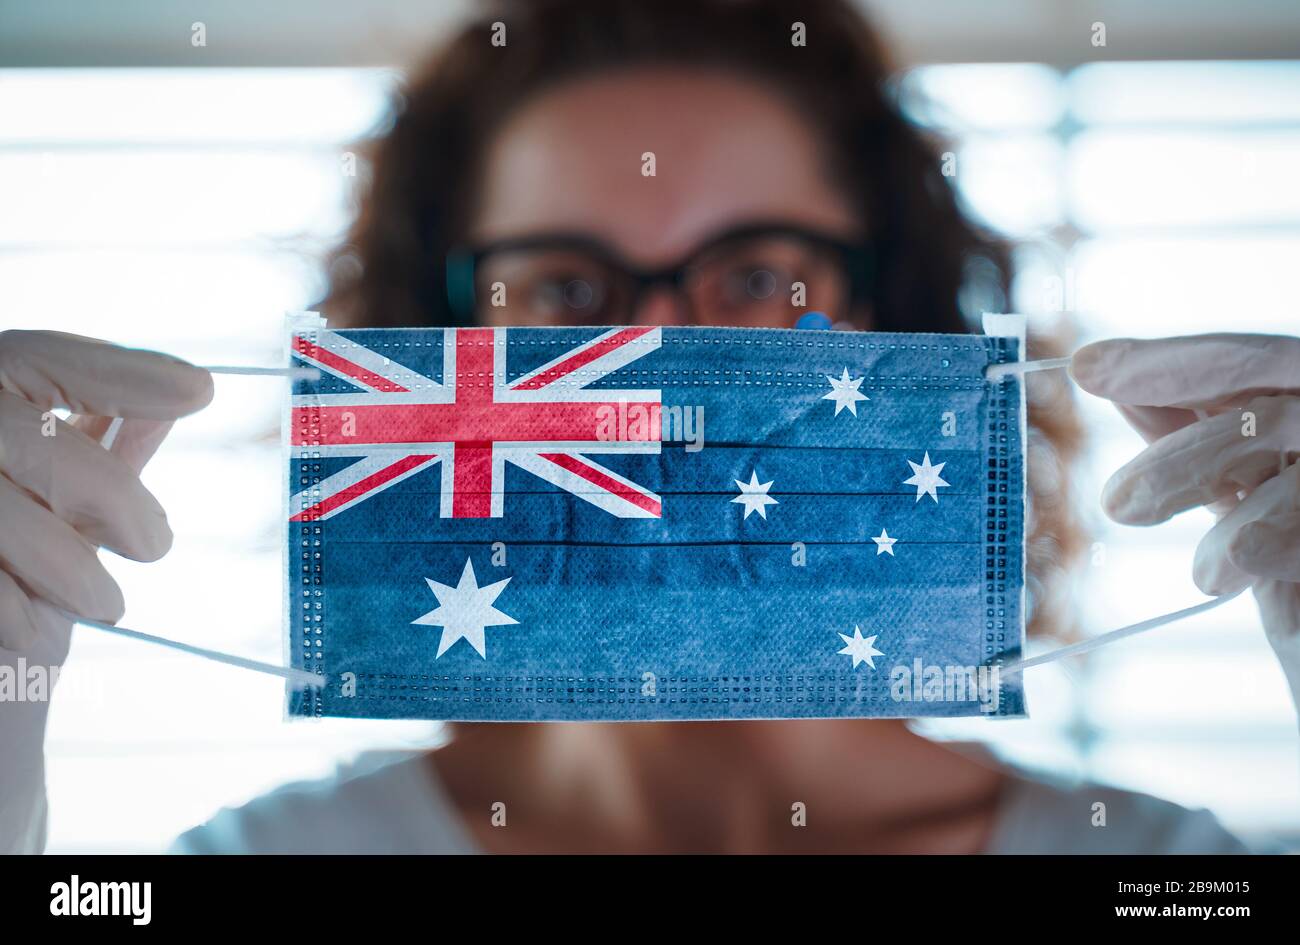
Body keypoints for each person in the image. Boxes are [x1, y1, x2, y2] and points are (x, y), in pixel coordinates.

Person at [2, 0, 1297, 854]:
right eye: (566, 291)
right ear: (429, 345)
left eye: (757, 274)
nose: (663, 385)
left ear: (893, 323)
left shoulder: (1167, 871)